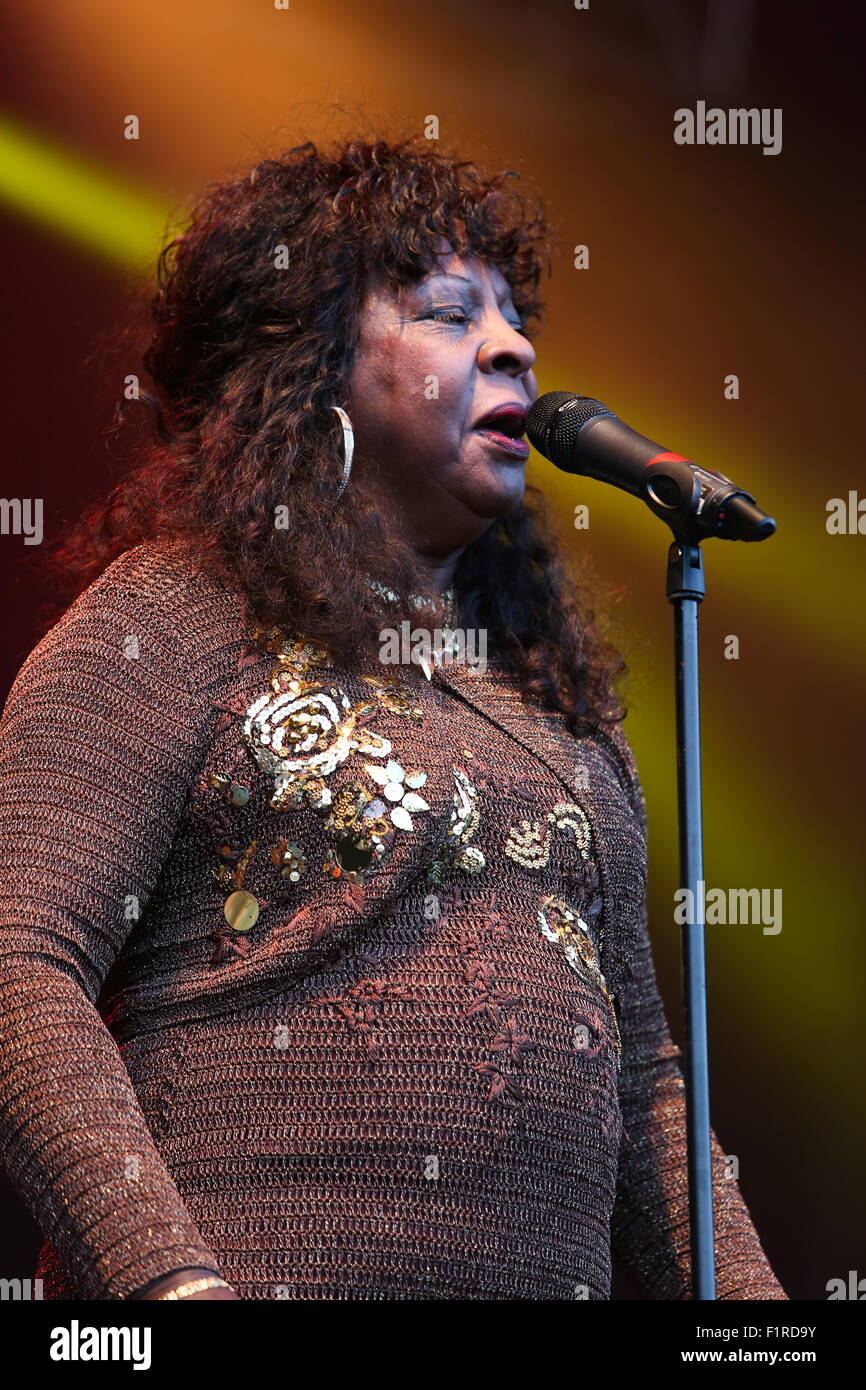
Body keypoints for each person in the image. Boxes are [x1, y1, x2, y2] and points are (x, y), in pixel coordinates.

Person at [0, 136, 786, 1300]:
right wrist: (166, 1283)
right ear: (309, 365)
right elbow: (19, 960)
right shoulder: (171, 616)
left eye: (514, 318)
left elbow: (648, 1088)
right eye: (448, 313)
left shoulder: (558, 702)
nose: (515, 346)